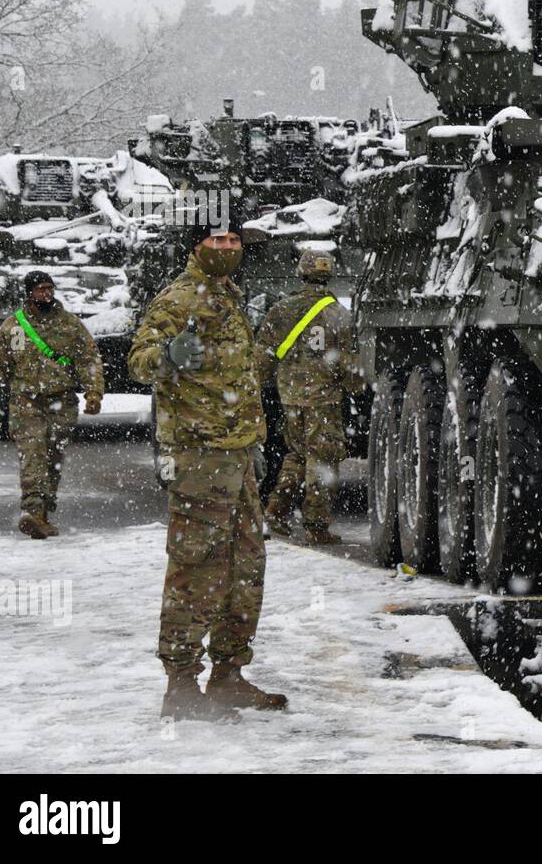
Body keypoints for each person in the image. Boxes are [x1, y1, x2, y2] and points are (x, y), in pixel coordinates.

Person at [128, 223, 287, 721]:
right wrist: (168, 356)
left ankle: (228, 675)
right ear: (197, 247)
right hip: (198, 456)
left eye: (234, 242)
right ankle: (179, 682)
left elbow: (239, 374)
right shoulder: (178, 298)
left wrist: (253, 442)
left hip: (237, 456)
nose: (228, 249)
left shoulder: (231, 296)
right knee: (196, 568)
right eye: (218, 240)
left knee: (245, 568)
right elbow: (138, 360)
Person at [0, 271, 103, 538]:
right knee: (33, 455)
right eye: (41, 289)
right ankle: (31, 511)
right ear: (29, 293)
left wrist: (94, 393)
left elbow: (88, 359)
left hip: (61, 401)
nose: (47, 294)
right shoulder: (14, 328)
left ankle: (43, 511)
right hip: (25, 403)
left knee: (53, 458)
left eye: (50, 289)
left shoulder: (69, 324)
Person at [257, 249, 365, 545]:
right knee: (323, 460)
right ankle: (316, 525)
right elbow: (349, 366)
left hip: (290, 396)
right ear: (329, 274)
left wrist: (257, 385)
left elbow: (263, 358)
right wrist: (355, 387)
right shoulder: (339, 315)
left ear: (301, 273)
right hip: (323, 399)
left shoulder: (280, 309)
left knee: (297, 453)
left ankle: (276, 513)